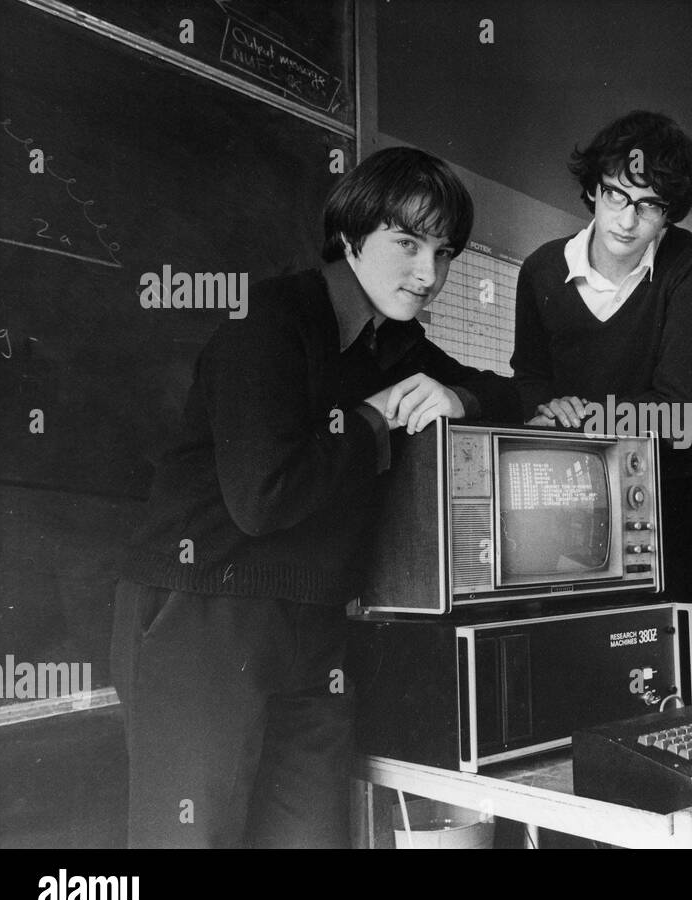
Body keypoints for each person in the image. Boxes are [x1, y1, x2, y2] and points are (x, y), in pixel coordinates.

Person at [111, 147, 521, 848]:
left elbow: (521, 395)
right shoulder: (268, 320)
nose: (430, 274)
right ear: (354, 234)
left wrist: (461, 394)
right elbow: (262, 498)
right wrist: (374, 415)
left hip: (317, 625)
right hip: (202, 616)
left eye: (445, 252)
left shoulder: (400, 345)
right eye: (408, 243)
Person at [510, 111, 692, 701]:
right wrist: (550, 411)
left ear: (669, 212)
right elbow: (529, 385)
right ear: (593, 191)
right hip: (563, 510)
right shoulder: (542, 270)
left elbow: (679, 415)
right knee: (577, 690)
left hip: (666, 506)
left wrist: (580, 416)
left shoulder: (689, 264)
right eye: (615, 196)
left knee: (672, 691)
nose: (627, 220)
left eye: (649, 205)